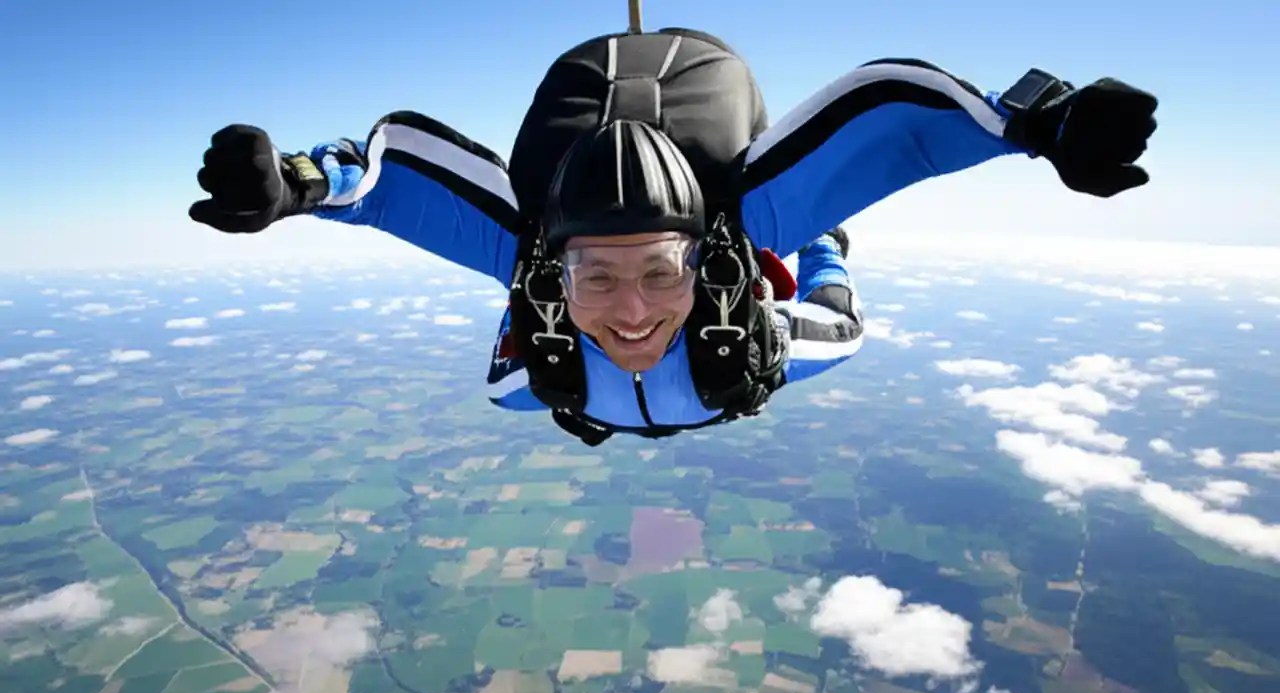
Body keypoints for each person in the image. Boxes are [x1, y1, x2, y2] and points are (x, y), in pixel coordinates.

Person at [189, 27, 1157, 446]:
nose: (634, 311)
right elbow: (399, 176)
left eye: (655, 272)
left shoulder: (533, 361)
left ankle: (784, 241)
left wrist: (1038, 126)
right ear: (552, 280)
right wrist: (294, 187)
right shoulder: (552, 334)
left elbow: (396, 175)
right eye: (597, 278)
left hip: (696, 258)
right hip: (682, 274)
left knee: (803, 256)